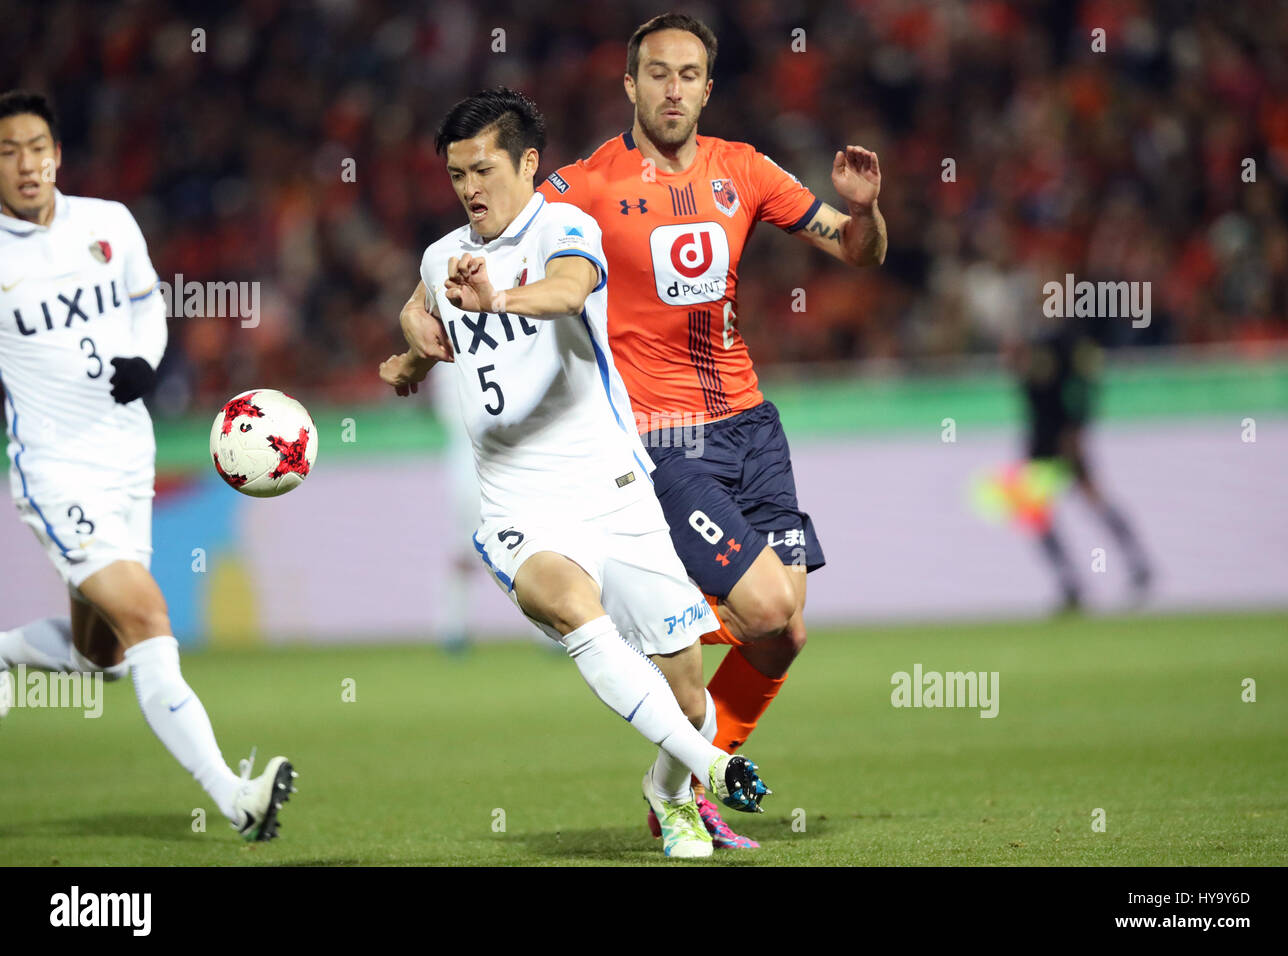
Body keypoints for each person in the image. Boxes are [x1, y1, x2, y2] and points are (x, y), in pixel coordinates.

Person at [378, 88, 771, 858]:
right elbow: (426, 316)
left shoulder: (564, 226)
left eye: (483, 169)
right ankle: (714, 769)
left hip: (614, 492)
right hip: (518, 503)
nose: (468, 189)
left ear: (529, 163)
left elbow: (569, 289)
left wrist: (502, 297)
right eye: (456, 174)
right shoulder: (440, 255)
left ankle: (670, 790)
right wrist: (409, 354)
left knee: (688, 695)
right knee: (568, 607)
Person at [537, 13, 887, 848]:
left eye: (688, 74)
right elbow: (492, 224)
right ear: (629, 84)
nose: (672, 89)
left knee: (785, 634)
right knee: (763, 604)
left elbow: (858, 253)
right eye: (656, 73)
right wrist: (427, 297)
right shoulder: (584, 183)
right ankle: (650, 605)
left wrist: (864, 212)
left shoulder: (745, 168)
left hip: (753, 426)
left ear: (707, 87)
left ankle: (679, 786)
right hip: (664, 440)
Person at [0, 90, 295, 842]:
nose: (26, 163)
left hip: (128, 459)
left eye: (36, 147)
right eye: (7, 152)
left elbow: (145, 306)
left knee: (102, 655)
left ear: (58, 155)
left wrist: (144, 360)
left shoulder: (109, 223)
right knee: (147, 617)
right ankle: (237, 797)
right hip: (56, 470)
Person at [1011, 320, 1152, 611]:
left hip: (1062, 438)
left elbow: (1084, 385)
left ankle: (1136, 564)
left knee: (1087, 501)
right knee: (1037, 512)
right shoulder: (1032, 336)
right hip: (1042, 439)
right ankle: (1072, 580)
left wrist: (1076, 428)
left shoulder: (1067, 341)